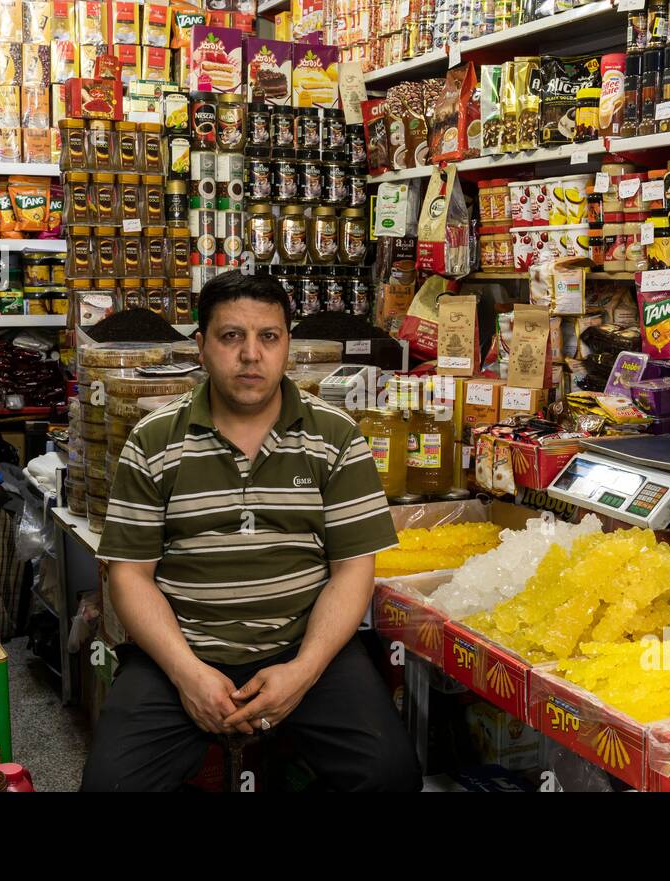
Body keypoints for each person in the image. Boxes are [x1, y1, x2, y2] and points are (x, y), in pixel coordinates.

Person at [81, 270, 421, 792]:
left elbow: (353, 570)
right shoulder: (153, 439)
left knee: (390, 774)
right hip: (182, 648)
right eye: (230, 336)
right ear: (201, 346)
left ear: (287, 343)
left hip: (302, 645)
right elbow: (130, 577)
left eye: (268, 337)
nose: (250, 355)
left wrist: (303, 671)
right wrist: (186, 674)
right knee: (109, 785)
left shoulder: (336, 436)